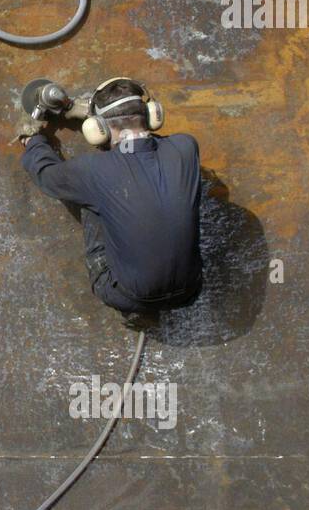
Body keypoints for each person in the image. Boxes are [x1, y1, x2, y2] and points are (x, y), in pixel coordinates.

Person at [17, 78, 202, 327]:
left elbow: (45, 175)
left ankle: (129, 303)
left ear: (97, 129)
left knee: (93, 197)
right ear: (151, 115)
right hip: (191, 290)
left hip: (128, 296)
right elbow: (147, 149)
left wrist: (33, 142)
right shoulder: (186, 148)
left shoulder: (93, 170)